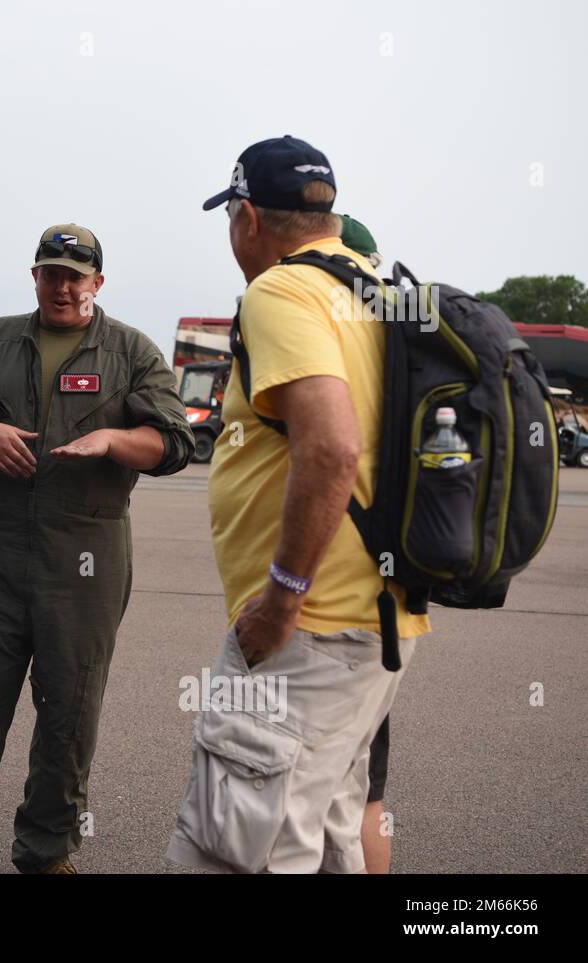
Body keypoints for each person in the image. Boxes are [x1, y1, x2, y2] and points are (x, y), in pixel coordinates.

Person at [166, 136, 430, 875]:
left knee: (236, 848)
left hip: (307, 628)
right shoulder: (374, 289)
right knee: (327, 838)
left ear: (246, 217)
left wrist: (282, 596)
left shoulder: (281, 290)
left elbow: (332, 447)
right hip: (378, 617)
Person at [0, 223, 194, 873]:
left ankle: (44, 849)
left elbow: (175, 442)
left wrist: (113, 443)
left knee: (69, 710)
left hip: (86, 547)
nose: (62, 286)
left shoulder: (130, 351)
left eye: (75, 275)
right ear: (33, 275)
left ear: (97, 282)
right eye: (50, 273)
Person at [339, 212, 393, 875]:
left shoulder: (332, 338)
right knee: (367, 790)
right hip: (384, 600)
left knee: (298, 796)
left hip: (328, 602)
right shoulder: (395, 340)